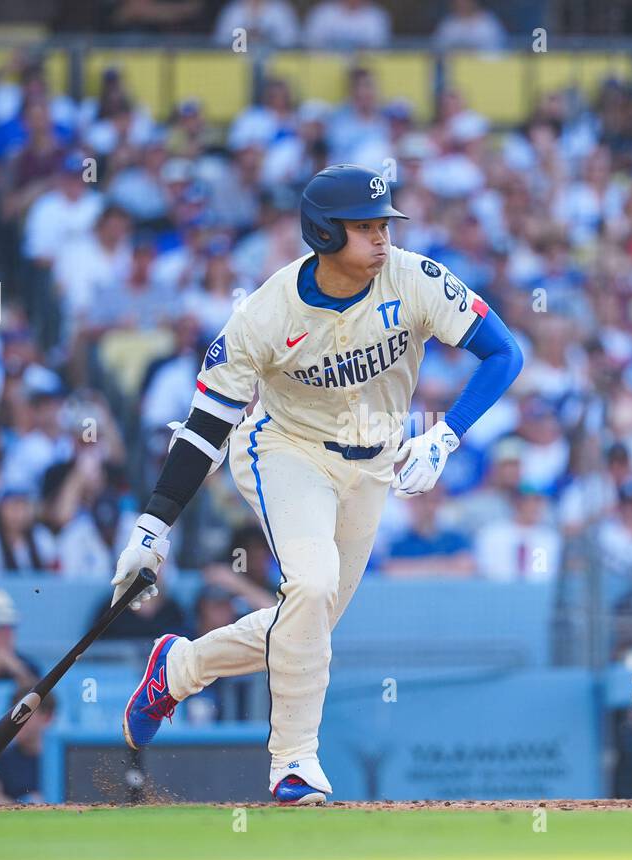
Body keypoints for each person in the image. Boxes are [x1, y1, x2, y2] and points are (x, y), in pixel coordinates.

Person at [112, 164, 524, 803]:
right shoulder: (265, 313)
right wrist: (152, 526)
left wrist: (446, 436)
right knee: (310, 585)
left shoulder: (412, 278)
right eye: (365, 228)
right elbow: (205, 426)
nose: (382, 239)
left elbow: (504, 353)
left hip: (372, 465)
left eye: (385, 224)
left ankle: (178, 668)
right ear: (325, 235)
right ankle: (294, 762)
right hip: (287, 450)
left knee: (310, 621)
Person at [0, 684, 56, 804]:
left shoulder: (65, 758)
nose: (16, 721)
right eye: (12, 715)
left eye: (24, 714)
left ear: (47, 718)